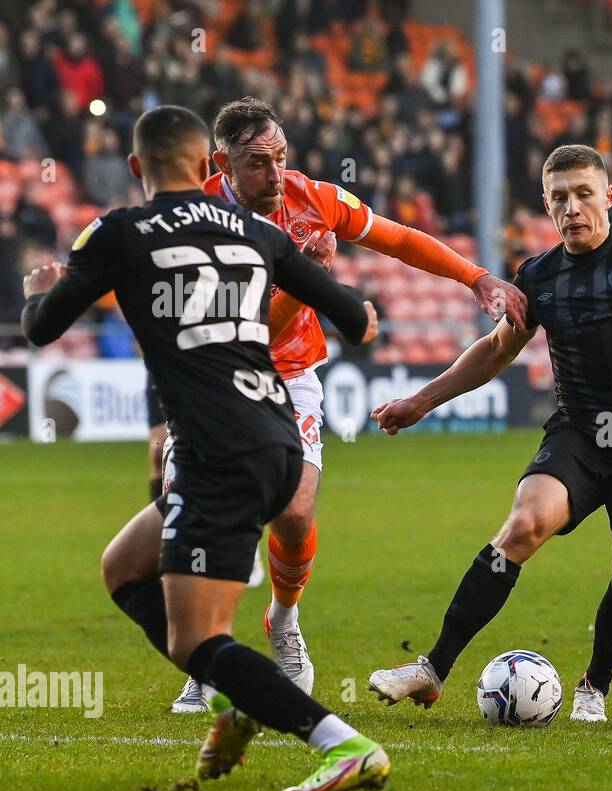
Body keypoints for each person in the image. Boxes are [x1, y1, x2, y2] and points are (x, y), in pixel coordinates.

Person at [21, 105, 390, 791]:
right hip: (279, 438)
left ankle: (341, 743)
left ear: (137, 169)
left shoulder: (119, 232)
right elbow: (355, 321)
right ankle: (234, 695)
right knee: (124, 567)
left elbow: (43, 330)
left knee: (197, 641)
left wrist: (37, 291)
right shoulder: (257, 230)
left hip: (216, 452)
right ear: (205, 167)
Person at [167, 96, 526, 712]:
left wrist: (477, 279)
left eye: (282, 158)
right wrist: (311, 281)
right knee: (209, 521)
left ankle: (283, 622)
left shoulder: (313, 199)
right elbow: (242, 330)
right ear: (221, 164)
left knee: (296, 513)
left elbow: (398, 238)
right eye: (258, 164)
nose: (276, 176)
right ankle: (205, 660)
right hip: (213, 379)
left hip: (293, 378)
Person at [367, 144, 612, 722]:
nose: (573, 207)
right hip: (580, 431)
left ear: (608, 197)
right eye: (559, 198)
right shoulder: (537, 275)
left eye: (585, 194)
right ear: (546, 206)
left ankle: (594, 687)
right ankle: (431, 670)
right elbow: (493, 352)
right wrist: (420, 401)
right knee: (524, 524)